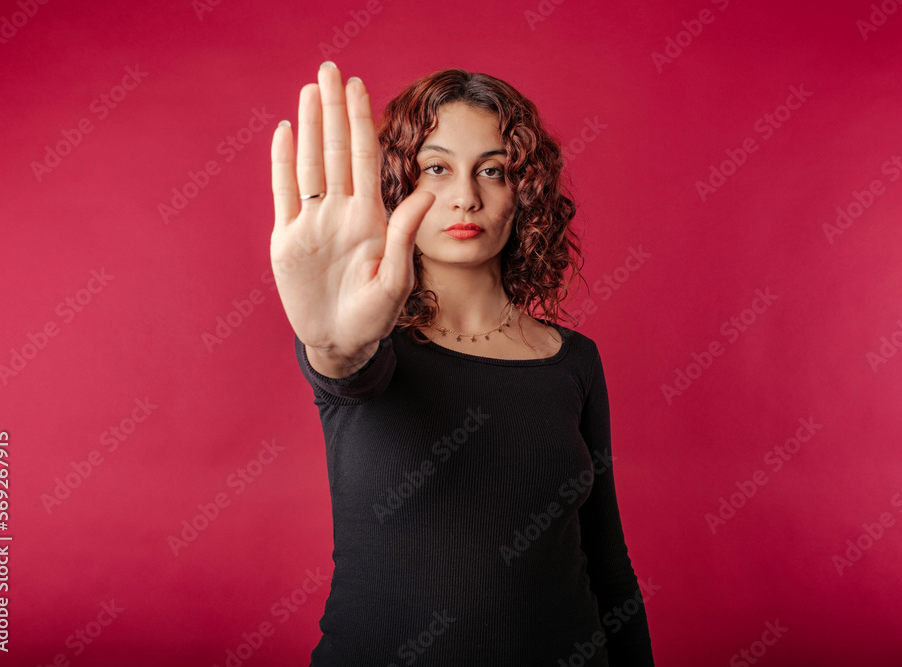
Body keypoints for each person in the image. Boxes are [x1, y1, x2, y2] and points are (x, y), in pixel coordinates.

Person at [269, 60, 655, 666]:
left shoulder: (574, 362)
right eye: (437, 168)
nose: (466, 197)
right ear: (399, 185)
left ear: (522, 191)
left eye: (493, 171)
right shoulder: (368, 347)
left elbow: (607, 561)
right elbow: (341, 360)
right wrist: (330, 341)